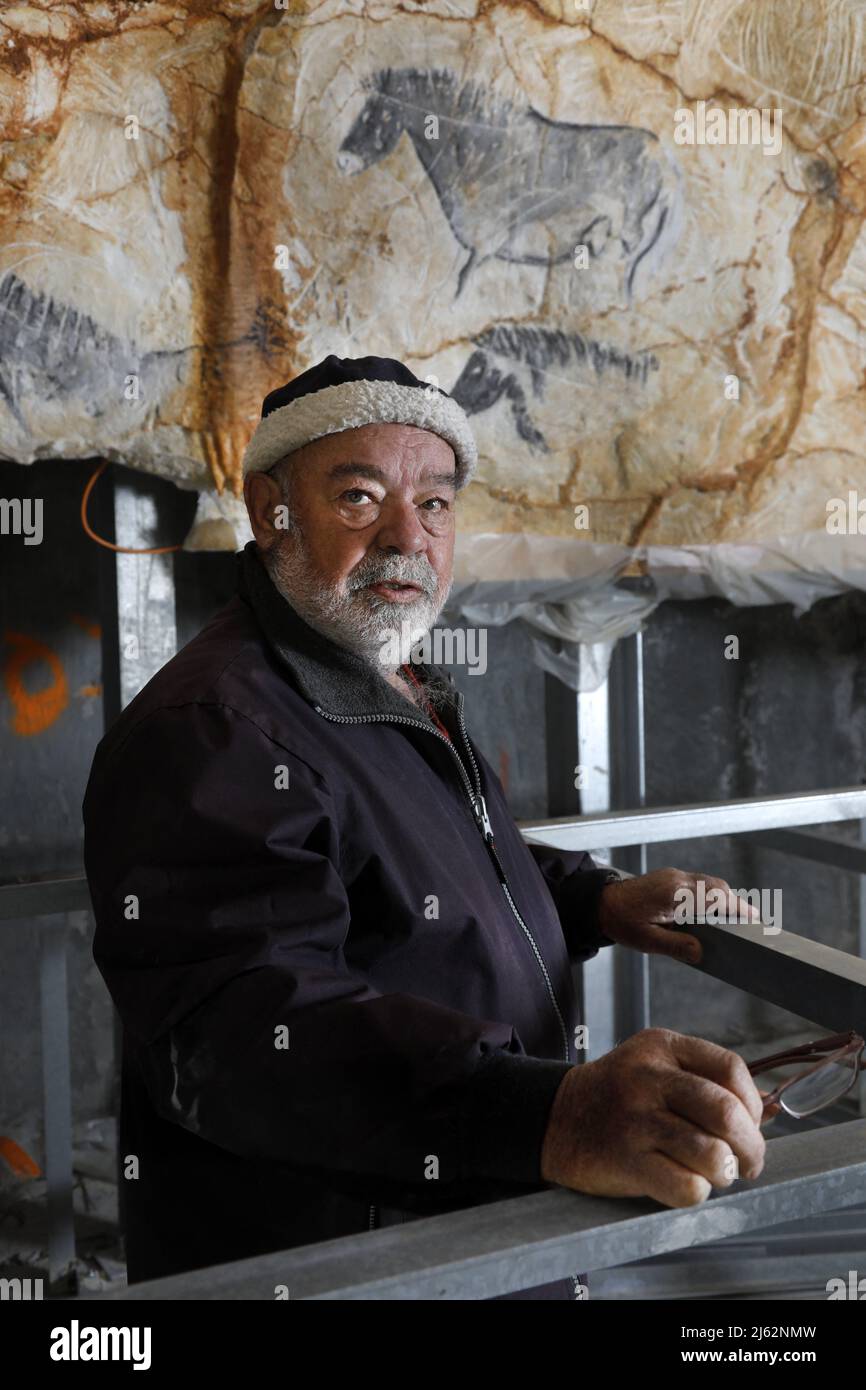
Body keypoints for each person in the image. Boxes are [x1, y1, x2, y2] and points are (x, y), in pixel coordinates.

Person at [82, 354, 770, 1300]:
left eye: (436, 505)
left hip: (457, 1227)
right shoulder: (215, 728)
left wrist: (595, 900)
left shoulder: (375, 679)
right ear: (270, 508)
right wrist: (547, 1115)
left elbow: (425, 863)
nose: (409, 536)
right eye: (361, 497)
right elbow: (245, 1032)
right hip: (344, 1261)